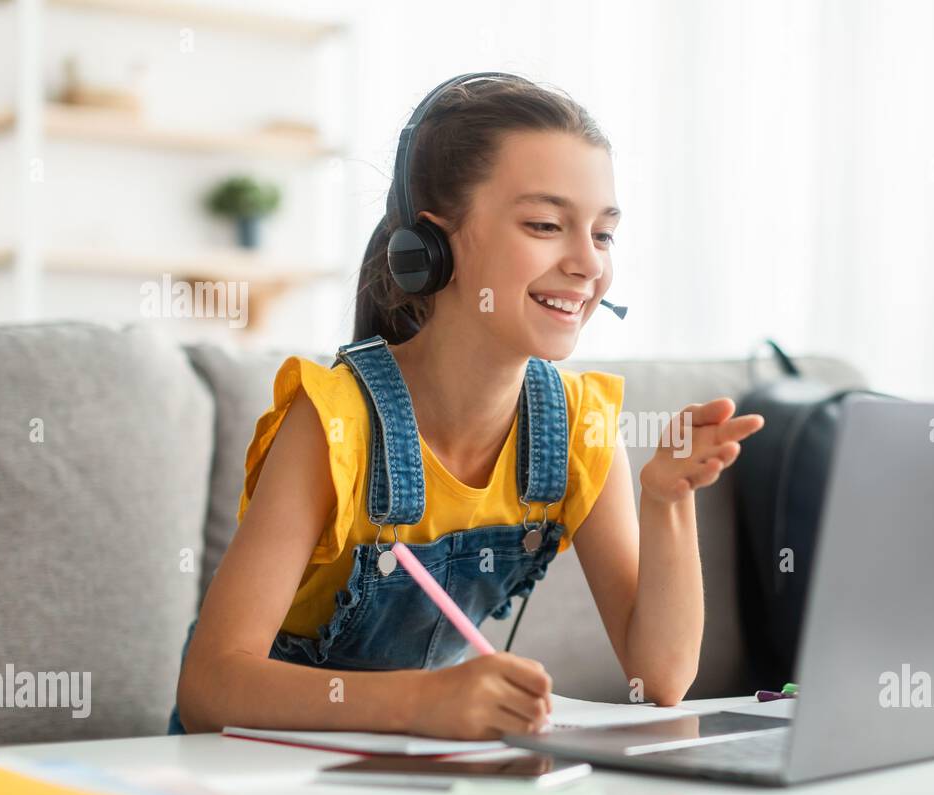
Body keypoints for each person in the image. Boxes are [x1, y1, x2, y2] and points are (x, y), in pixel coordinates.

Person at [169, 73, 764, 740]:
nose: (587, 264)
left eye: (603, 235)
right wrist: (421, 704)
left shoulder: (577, 428)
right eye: (545, 224)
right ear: (435, 247)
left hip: (408, 774)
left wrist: (667, 501)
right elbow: (210, 687)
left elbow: (660, 677)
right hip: (263, 776)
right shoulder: (334, 422)